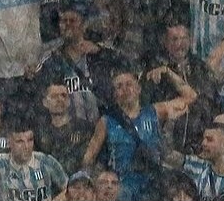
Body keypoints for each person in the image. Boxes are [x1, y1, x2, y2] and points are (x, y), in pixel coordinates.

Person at [82, 67, 198, 201]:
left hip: (154, 187)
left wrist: (167, 71)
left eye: (129, 84)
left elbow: (191, 96)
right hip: (122, 190)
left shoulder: (154, 112)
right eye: (119, 86)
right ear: (114, 95)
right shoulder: (106, 121)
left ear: (138, 89)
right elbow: (88, 158)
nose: (125, 89)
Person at [0, 122, 68, 201]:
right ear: (9, 142)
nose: (26, 146)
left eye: (30, 140)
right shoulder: (1, 164)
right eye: (20, 141)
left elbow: (69, 189)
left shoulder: (47, 162)